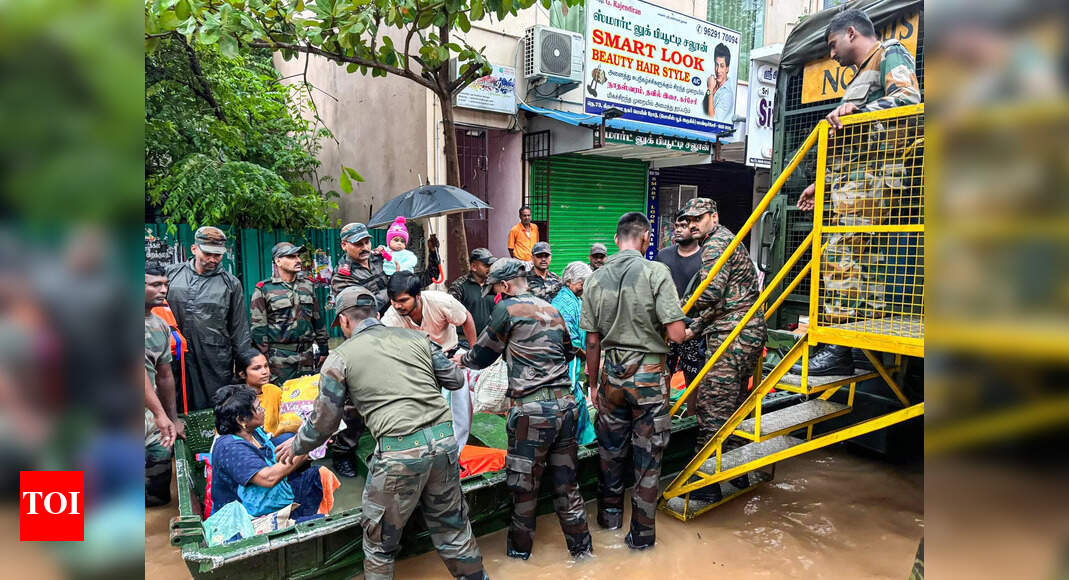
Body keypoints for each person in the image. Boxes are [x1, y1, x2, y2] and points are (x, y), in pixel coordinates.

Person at [275, 286, 487, 580]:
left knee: (379, 545)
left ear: (344, 321)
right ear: (377, 313)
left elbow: (324, 424)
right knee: (454, 531)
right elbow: (454, 378)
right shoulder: (418, 338)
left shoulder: (340, 358)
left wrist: (296, 446)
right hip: (444, 444)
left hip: (399, 454)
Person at [793, 8, 922, 375]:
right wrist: (825, 183)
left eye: (833, 44)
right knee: (867, 263)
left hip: (878, 178)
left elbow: (909, 101)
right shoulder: (862, 74)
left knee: (840, 251)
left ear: (851, 33)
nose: (832, 54)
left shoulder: (890, 52)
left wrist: (858, 110)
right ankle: (861, 344)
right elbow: (856, 144)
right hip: (860, 178)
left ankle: (838, 346)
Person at [458, 258, 593, 560]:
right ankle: (583, 554)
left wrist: (460, 359)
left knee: (524, 491)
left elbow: (481, 356)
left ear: (504, 286)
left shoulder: (506, 309)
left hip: (531, 414)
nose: (496, 294)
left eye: (496, 288)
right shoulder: (553, 309)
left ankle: (519, 561)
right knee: (567, 488)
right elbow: (571, 350)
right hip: (565, 407)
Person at [579, 212, 686, 550]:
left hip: (610, 378)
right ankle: (640, 539)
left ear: (615, 239)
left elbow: (592, 341)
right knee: (647, 461)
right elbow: (676, 334)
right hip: (649, 381)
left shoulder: (595, 278)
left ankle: (608, 520)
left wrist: (593, 386)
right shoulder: (656, 272)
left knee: (610, 454)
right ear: (645, 239)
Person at [678, 197, 766, 501]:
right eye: (689, 220)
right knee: (735, 407)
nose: (692, 225)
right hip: (747, 332)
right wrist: (694, 328)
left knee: (712, 407)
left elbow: (710, 294)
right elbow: (725, 300)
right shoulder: (727, 240)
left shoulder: (715, 244)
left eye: (698, 219)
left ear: (713, 217)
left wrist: (677, 309)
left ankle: (705, 485)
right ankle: (737, 473)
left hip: (733, 337)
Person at [209, 384, 336, 519]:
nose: (263, 410)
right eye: (258, 408)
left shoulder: (254, 432)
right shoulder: (230, 448)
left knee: (318, 475)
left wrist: (306, 445)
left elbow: (276, 461)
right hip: (245, 516)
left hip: (266, 498)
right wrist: (307, 447)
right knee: (320, 521)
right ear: (241, 420)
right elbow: (268, 478)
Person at [166, 226, 252, 411]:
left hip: (214, 359)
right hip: (174, 355)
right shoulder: (172, 275)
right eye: (208, 253)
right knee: (174, 400)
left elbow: (239, 328)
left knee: (217, 404)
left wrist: (244, 365)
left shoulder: (230, 284)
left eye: (218, 255)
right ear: (194, 249)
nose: (213, 259)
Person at [250, 242, 329, 383]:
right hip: (279, 359)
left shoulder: (308, 286)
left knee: (305, 399)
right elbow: (258, 329)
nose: (298, 260)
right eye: (291, 256)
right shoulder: (264, 289)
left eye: (298, 256)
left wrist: (324, 349)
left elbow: (317, 320)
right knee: (281, 397)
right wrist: (264, 358)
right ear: (277, 261)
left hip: (307, 356)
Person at [656, 213, 707, 399]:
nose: (678, 229)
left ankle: (691, 420)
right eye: (676, 225)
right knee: (663, 374)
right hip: (666, 326)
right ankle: (665, 415)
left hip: (693, 328)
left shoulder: (706, 258)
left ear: (694, 228)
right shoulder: (663, 256)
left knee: (693, 377)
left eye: (683, 225)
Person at [146, 263, 182, 506]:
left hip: (148, 421)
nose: (164, 290)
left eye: (165, 284)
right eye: (155, 284)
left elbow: (165, 375)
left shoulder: (159, 326)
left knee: (157, 499)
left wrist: (173, 417)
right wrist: (161, 414)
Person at [551, 261, 596, 445]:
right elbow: (570, 341)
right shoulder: (565, 303)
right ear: (571, 281)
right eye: (582, 284)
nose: (583, 288)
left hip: (569, 360)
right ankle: (582, 440)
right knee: (572, 396)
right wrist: (586, 353)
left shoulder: (572, 299)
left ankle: (585, 437)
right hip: (568, 360)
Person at [383, 271, 477, 356]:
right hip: (417, 360)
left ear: (418, 296)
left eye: (403, 300)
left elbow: (466, 318)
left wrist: (473, 354)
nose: (397, 306)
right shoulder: (391, 316)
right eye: (393, 300)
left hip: (449, 353)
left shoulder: (441, 301)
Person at [331, 222, 389, 314]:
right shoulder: (341, 276)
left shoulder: (379, 258)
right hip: (369, 324)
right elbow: (363, 308)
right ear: (344, 245)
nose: (365, 248)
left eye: (367, 242)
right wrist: (393, 290)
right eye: (358, 244)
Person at [448, 248, 498, 338]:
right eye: (486, 265)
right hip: (464, 340)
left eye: (491, 265)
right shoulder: (459, 286)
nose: (490, 268)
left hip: (489, 340)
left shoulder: (495, 285)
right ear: (474, 267)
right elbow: (450, 312)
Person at [702, 43, 733, 125]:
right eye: (716, 65)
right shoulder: (713, 84)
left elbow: (713, 120)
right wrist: (709, 90)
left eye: (722, 66)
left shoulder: (727, 95)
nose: (718, 70)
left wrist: (710, 89)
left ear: (727, 68)